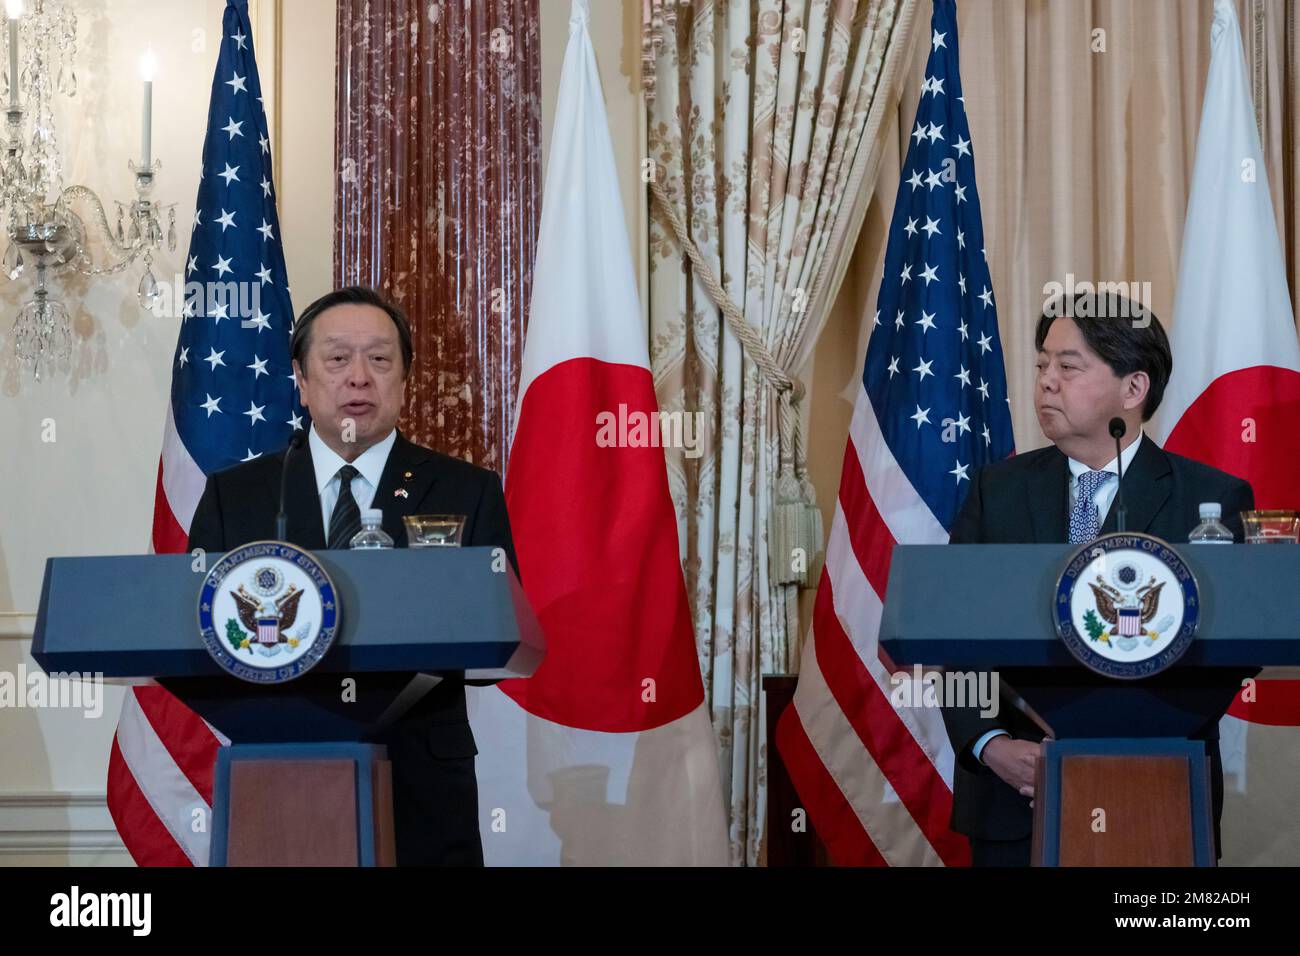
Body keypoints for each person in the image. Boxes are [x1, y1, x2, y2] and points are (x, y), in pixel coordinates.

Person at [188, 285, 516, 865]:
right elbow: (192, 631)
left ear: (405, 379)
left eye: (380, 359)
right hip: (277, 773)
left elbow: (500, 635)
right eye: (337, 359)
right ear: (302, 378)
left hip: (421, 778)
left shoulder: (468, 490)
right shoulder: (236, 495)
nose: (359, 377)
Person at [944, 290, 1254, 866]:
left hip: (1156, 792)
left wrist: (1115, 743)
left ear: (1133, 389)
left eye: (1067, 367)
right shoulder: (999, 491)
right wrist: (991, 745)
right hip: (1015, 797)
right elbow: (951, 634)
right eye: (1041, 365)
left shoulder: (1211, 501)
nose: (1046, 382)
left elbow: (1230, 651)